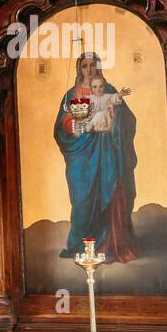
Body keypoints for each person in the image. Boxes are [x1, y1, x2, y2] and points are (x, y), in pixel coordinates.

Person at [53, 52, 138, 262]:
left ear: (98, 67)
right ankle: (80, 244)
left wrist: (113, 120)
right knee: (82, 199)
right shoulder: (71, 94)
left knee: (109, 192)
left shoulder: (108, 91)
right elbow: (61, 127)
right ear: (79, 69)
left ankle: (107, 244)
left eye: (92, 65)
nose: (89, 70)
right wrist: (72, 127)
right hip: (80, 155)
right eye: (84, 66)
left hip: (107, 152)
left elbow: (127, 119)